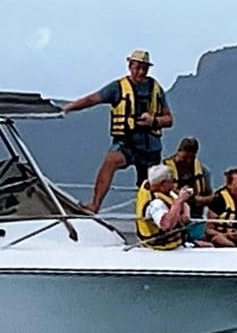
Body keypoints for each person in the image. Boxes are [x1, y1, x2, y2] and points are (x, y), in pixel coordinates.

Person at [62, 49, 172, 213]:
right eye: (137, 67)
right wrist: (67, 108)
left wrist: (153, 121)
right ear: (130, 66)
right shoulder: (117, 87)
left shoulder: (156, 89)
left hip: (151, 148)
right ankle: (95, 205)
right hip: (127, 143)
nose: (141, 72)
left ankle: (153, 215)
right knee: (110, 161)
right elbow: (92, 99)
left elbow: (169, 119)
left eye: (144, 68)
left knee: (151, 185)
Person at [133, 163, 191, 250]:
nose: (174, 185)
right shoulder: (155, 204)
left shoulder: (159, 190)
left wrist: (184, 210)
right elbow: (166, 224)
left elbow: (184, 205)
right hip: (161, 246)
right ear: (163, 184)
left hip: (178, 243)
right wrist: (179, 200)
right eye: (172, 181)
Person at [163, 137, 210, 242]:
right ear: (178, 151)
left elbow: (210, 196)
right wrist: (182, 196)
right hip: (172, 213)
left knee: (201, 239)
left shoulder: (203, 171)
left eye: (191, 158)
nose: (187, 161)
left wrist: (200, 200)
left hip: (195, 215)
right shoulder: (165, 169)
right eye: (184, 157)